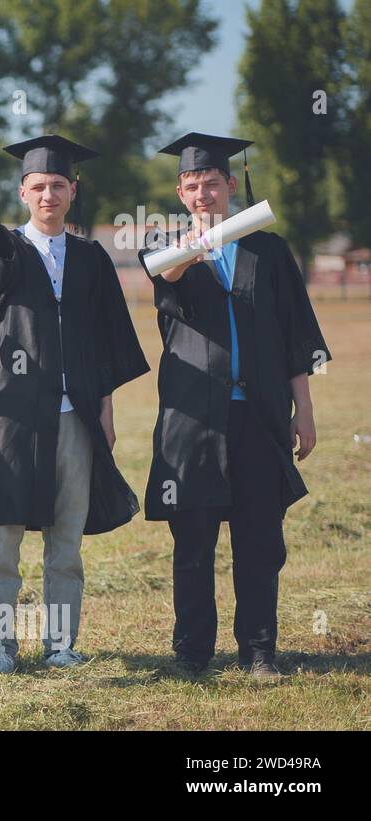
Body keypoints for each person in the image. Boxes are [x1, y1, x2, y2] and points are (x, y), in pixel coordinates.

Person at [0, 135, 149, 674]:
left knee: (66, 539)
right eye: (38, 185)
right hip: (13, 415)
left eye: (58, 185)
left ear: (73, 190)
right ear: (22, 191)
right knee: (5, 537)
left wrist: (104, 414)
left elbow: (109, 341)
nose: (48, 194)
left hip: (75, 416)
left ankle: (61, 644)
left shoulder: (90, 258)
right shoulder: (6, 249)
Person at [139, 132, 330, 679]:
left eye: (212, 184)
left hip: (259, 416)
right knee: (194, 539)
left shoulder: (269, 250)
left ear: (229, 186)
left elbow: (296, 332)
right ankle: (191, 653)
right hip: (193, 418)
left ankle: (259, 651)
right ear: (180, 191)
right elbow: (166, 276)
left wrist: (305, 409)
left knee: (260, 539)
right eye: (193, 185)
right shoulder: (164, 244)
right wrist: (198, 247)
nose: (203, 194)